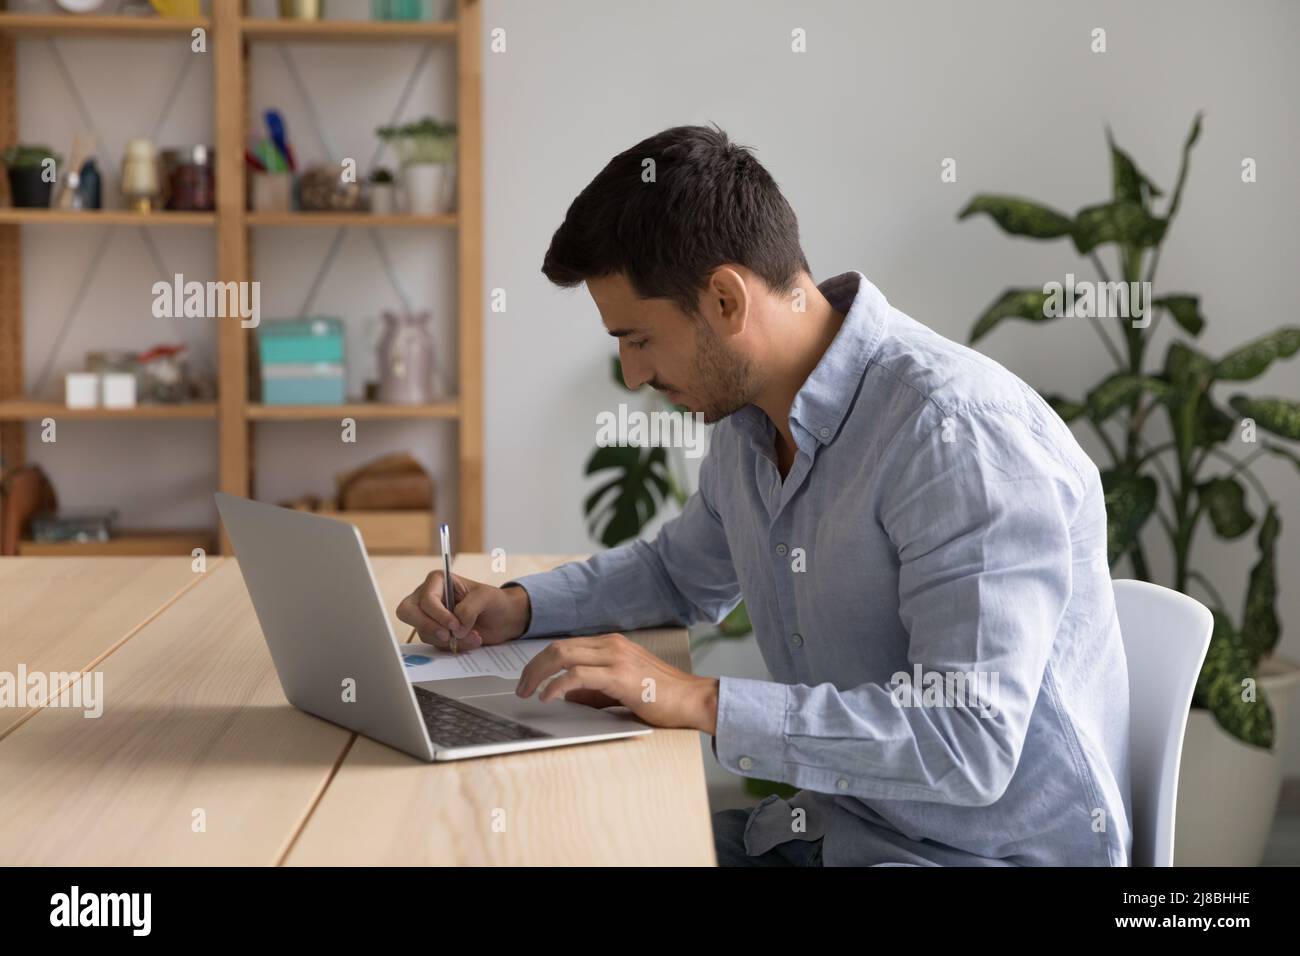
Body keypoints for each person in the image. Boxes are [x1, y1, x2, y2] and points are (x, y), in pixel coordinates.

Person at [396, 124, 1132, 867]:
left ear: (724, 300)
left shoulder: (956, 438)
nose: (630, 375)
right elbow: (679, 574)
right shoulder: (751, 421)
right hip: (836, 835)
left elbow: (966, 739)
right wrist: (517, 606)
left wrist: (701, 701)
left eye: (638, 338)